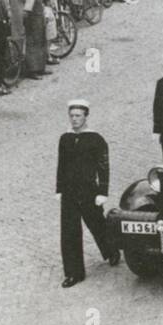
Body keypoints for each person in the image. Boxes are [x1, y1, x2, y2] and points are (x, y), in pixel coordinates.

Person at [55, 99, 119, 287]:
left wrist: (102, 192)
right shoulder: (65, 139)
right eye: (72, 116)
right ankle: (74, 273)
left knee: (97, 224)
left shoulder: (96, 139)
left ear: (85, 117)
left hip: (89, 191)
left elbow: (103, 167)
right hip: (69, 192)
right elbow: (61, 165)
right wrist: (59, 189)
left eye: (78, 116)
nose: (74, 119)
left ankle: (111, 250)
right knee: (69, 232)